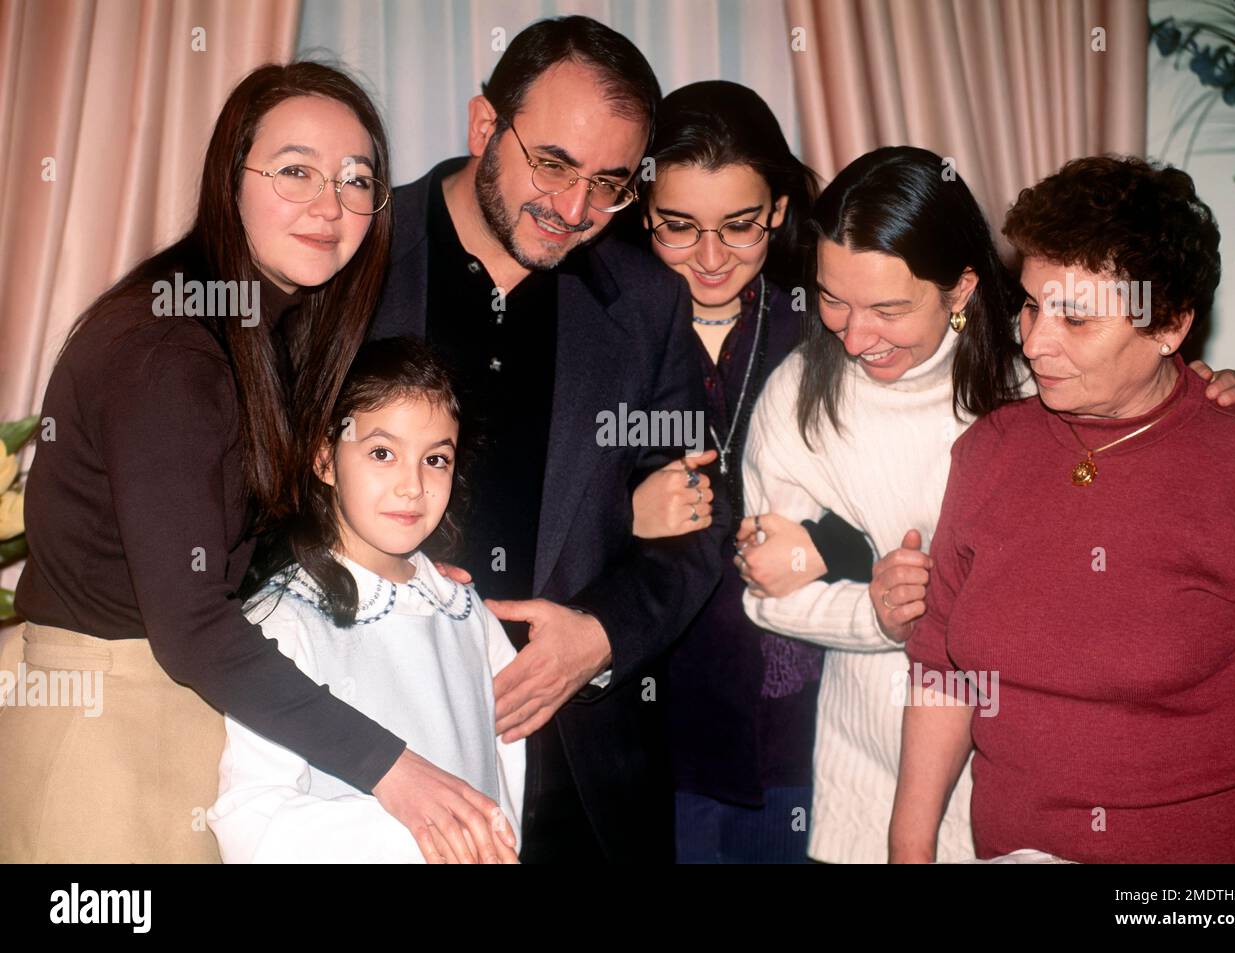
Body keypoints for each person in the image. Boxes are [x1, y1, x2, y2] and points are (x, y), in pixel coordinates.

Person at [1, 63, 508, 864]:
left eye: (356, 180)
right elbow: (194, 624)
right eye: (296, 170)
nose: (329, 204)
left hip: (174, 709)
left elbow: (237, 543)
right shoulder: (169, 348)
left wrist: (389, 572)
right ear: (228, 176)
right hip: (104, 725)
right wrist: (397, 772)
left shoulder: (257, 328)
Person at [736, 146, 1235, 863]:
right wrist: (872, 608)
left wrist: (1191, 392)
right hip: (880, 771)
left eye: (888, 308)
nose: (854, 335)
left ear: (959, 290)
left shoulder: (1037, 380)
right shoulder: (809, 397)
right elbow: (770, 590)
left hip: (1035, 798)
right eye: (834, 299)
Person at [368, 16, 728, 862]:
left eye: (610, 183)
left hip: (581, 782)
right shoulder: (356, 253)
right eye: (555, 164)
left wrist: (600, 635)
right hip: (373, 755)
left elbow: (703, 514)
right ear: (484, 126)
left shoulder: (646, 303)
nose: (575, 210)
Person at [891, 155, 1235, 864]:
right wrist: (909, 849)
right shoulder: (991, 450)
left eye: (1076, 318)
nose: (1035, 339)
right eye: (1031, 302)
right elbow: (941, 668)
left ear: (1168, 325)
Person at [625, 80, 874, 863]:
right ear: (641, 209)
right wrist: (620, 516)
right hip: (638, 726)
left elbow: (918, 510)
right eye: (679, 227)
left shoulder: (830, 327)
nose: (709, 257)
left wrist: (824, 548)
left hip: (792, 721)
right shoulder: (596, 323)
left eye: (739, 226)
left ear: (776, 210)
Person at [209, 338, 524, 863]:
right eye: (383, 453)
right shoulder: (281, 621)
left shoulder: (468, 614)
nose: (412, 486)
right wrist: (425, 836)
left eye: (436, 459)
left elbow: (503, 782)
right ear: (325, 459)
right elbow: (250, 821)